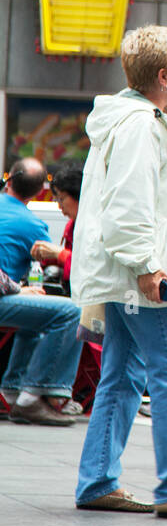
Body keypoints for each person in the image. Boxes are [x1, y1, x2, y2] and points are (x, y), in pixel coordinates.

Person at [73, 24, 167, 517]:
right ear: (163, 75)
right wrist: (147, 267)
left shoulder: (132, 118)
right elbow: (131, 203)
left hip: (124, 270)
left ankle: (97, 482)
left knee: (122, 375)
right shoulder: (142, 124)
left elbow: (140, 192)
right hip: (145, 274)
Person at [0, 158, 83, 426]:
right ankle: (33, 396)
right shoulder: (33, 225)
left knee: (36, 317)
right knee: (72, 311)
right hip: (4, 298)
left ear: (9, 180)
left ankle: (12, 391)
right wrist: (18, 289)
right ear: (39, 193)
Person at [31, 158, 83, 292]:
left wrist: (59, 253)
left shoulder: (96, 226)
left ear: (79, 195)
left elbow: (86, 269)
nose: (59, 206)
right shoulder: (72, 225)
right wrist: (47, 255)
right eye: (57, 199)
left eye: (62, 198)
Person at [0, 158, 51, 283]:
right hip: (6, 295)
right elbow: (51, 258)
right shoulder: (35, 227)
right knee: (67, 304)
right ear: (40, 191)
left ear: (9, 181)